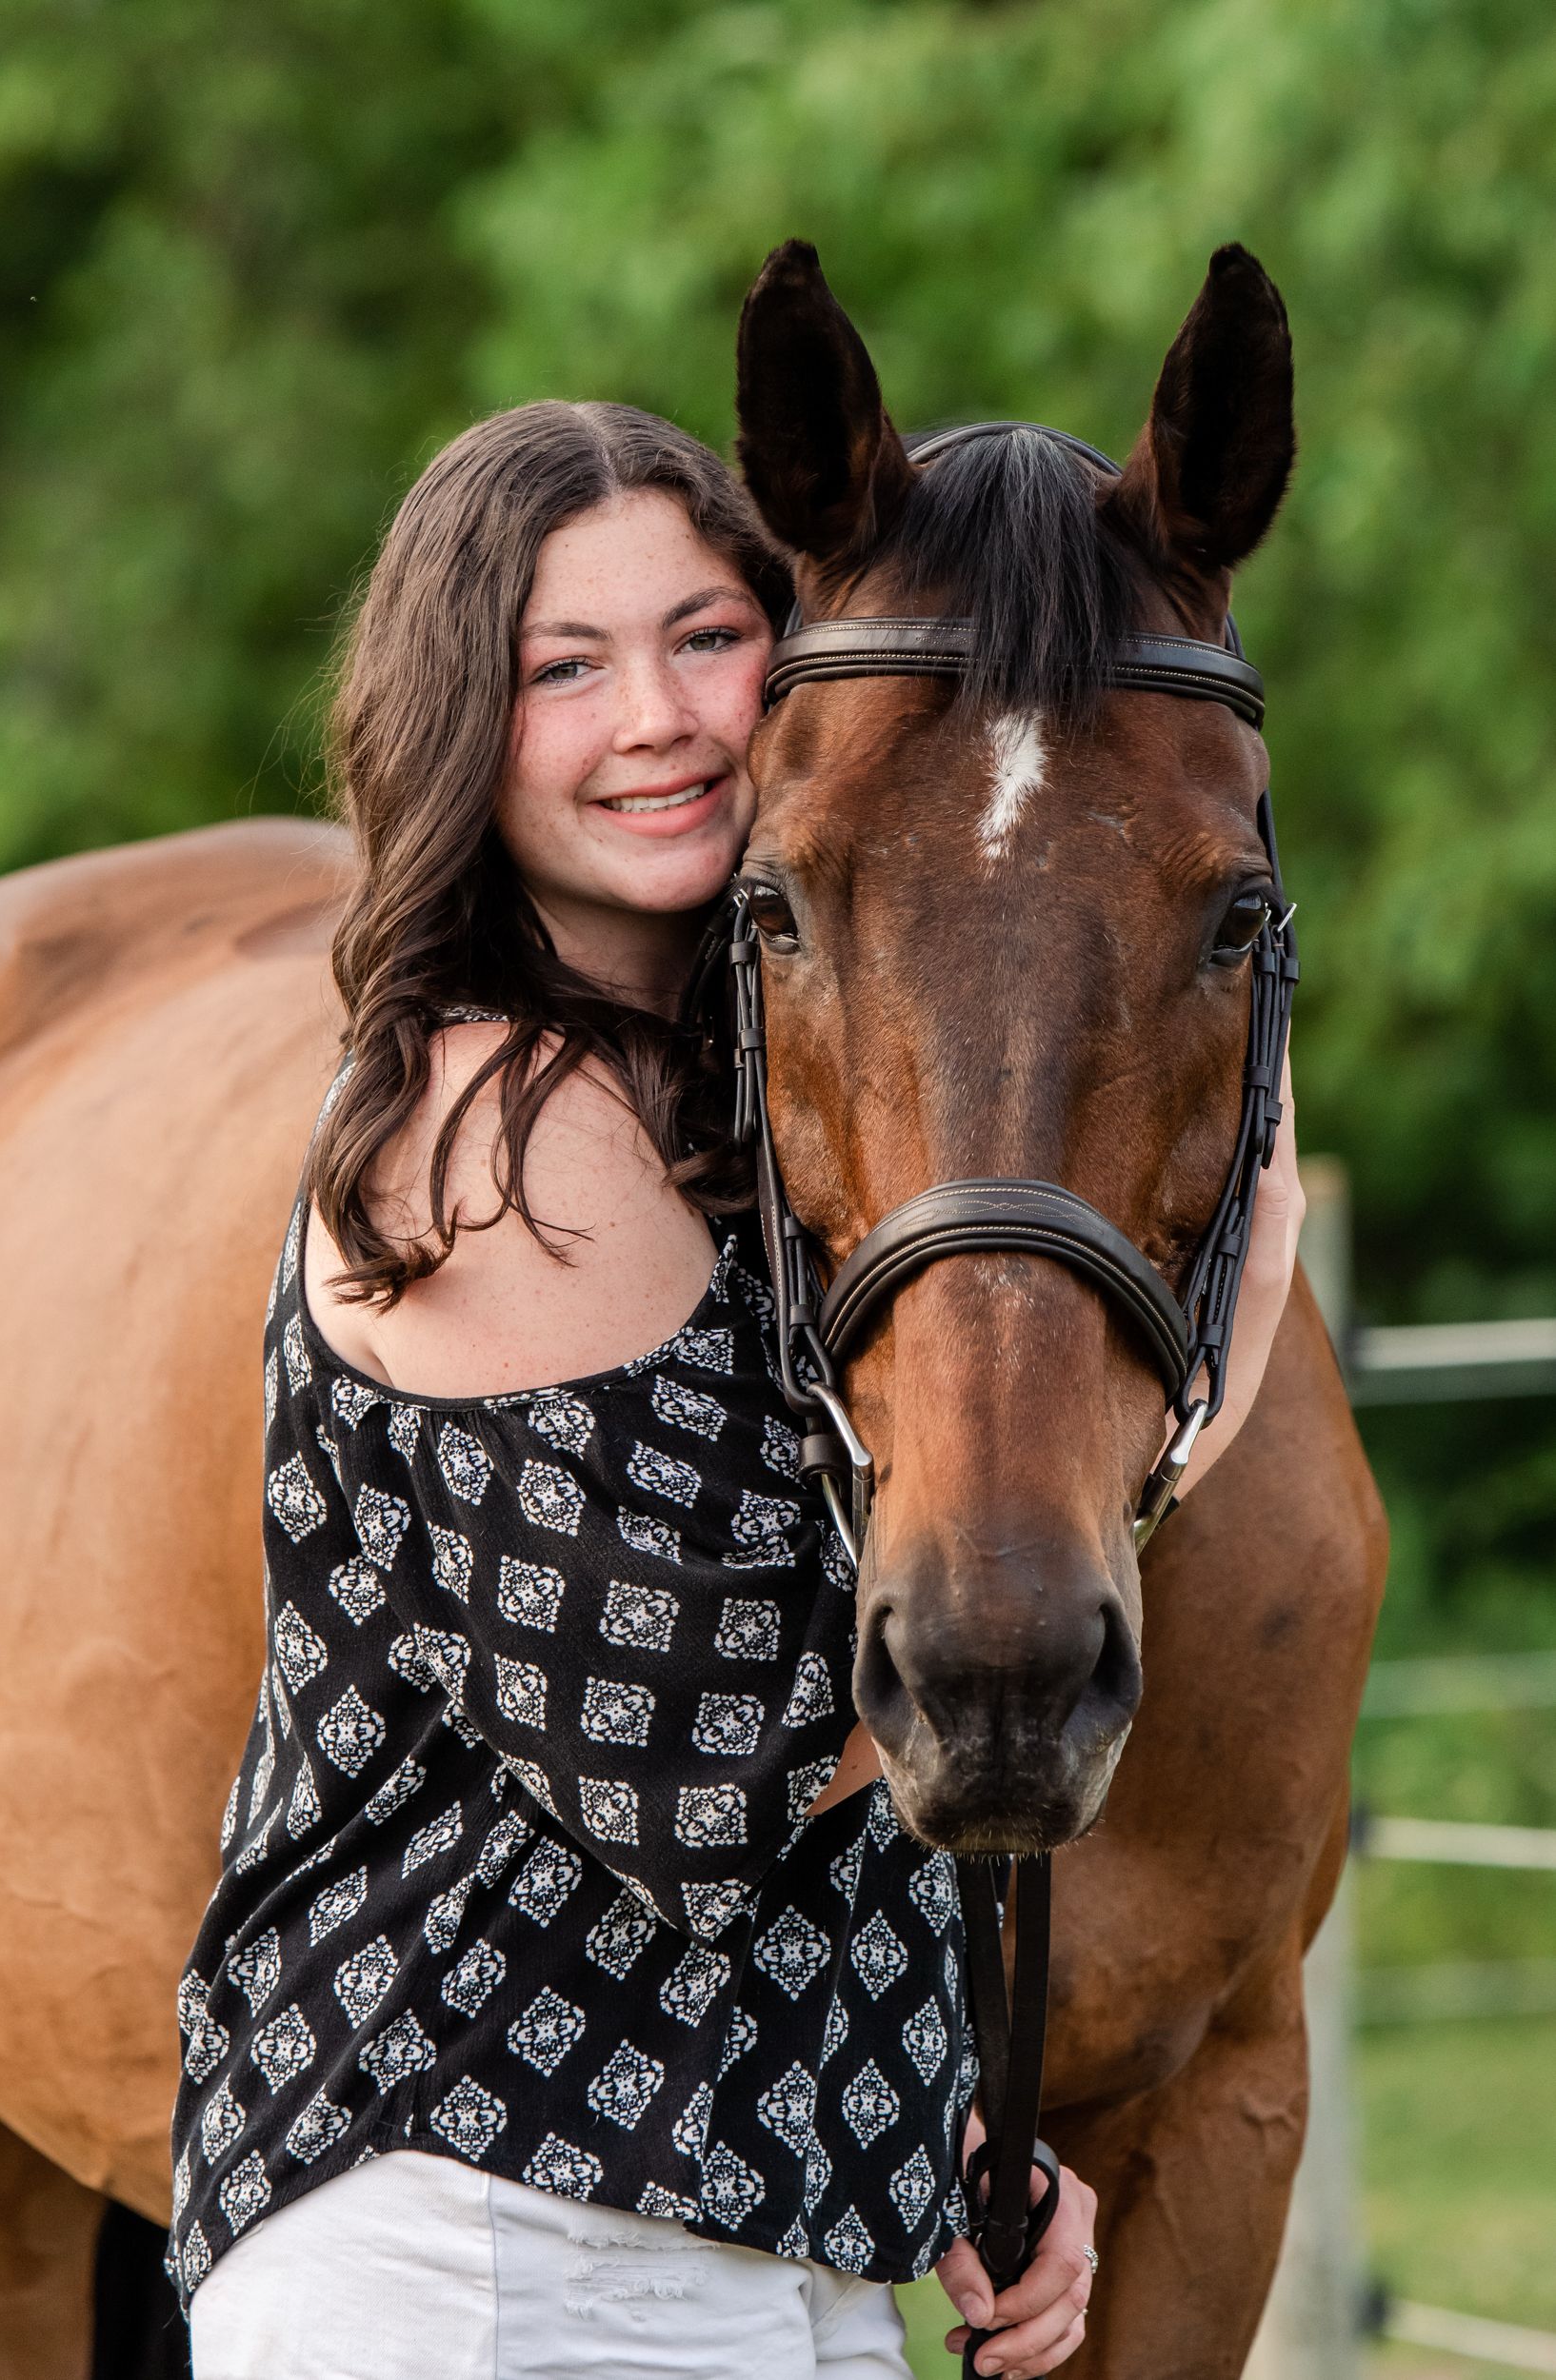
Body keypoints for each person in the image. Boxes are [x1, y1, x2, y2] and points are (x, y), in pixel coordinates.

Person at [170, 400, 1304, 2380]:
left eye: (707, 636)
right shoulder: (495, 1137)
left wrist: (930, 2132)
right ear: (458, 718)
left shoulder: (736, 1133)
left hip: (717, 2267)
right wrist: (1217, 1352)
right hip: (484, 2260)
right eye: (563, 667)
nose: (667, 719)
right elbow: (722, 1775)